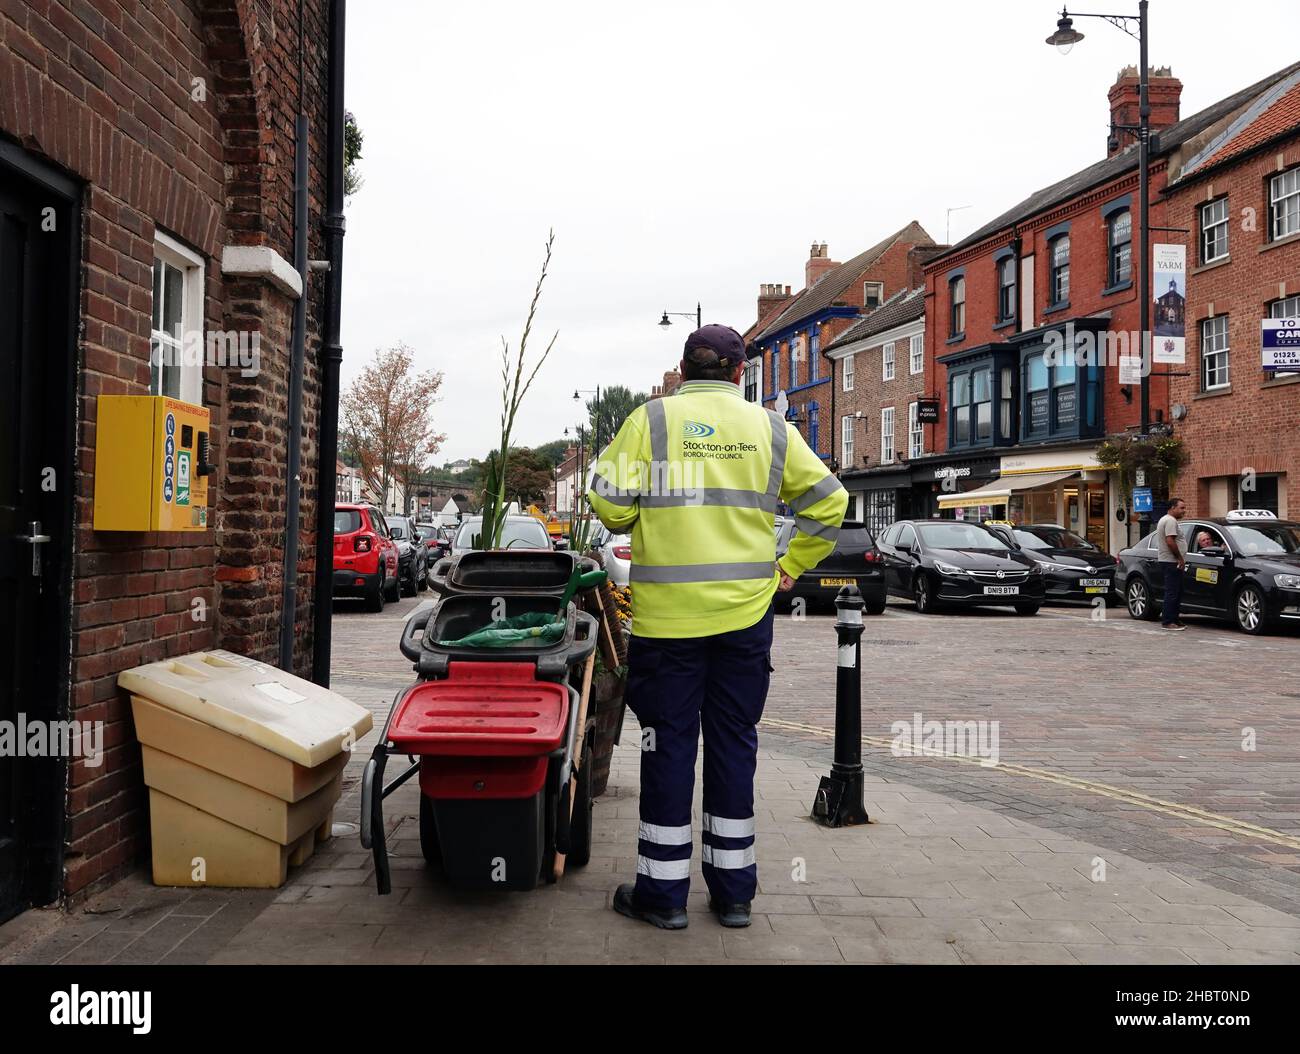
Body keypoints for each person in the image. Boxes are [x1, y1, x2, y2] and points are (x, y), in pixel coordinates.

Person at [587, 324, 847, 930]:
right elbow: (830, 504)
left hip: (668, 622)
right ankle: (733, 896)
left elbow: (607, 503)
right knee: (735, 745)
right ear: (739, 372)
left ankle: (662, 896)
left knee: (667, 745)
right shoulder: (772, 428)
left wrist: (641, 510)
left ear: (682, 368)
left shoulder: (649, 422)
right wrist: (791, 566)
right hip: (745, 617)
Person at [1156, 497, 1188, 630]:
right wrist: (1179, 558)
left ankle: (1174, 618)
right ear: (1172, 508)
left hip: (1169, 560)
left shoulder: (1166, 519)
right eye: (1181, 508)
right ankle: (1168, 621)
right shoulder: (1170, 521)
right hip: (1171, 561)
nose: (1184, 511)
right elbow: (1170, 541)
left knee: (1177, 591)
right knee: (1172, 592)